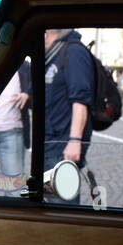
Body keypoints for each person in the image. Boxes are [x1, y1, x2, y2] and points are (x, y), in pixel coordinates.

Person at [42, 27, 95, 171]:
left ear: (48, 33)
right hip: (51, 140)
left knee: (60, 185)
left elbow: (80, 101)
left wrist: (74, 140)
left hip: (63, 143)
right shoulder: (54, 53)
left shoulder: (73, 52)